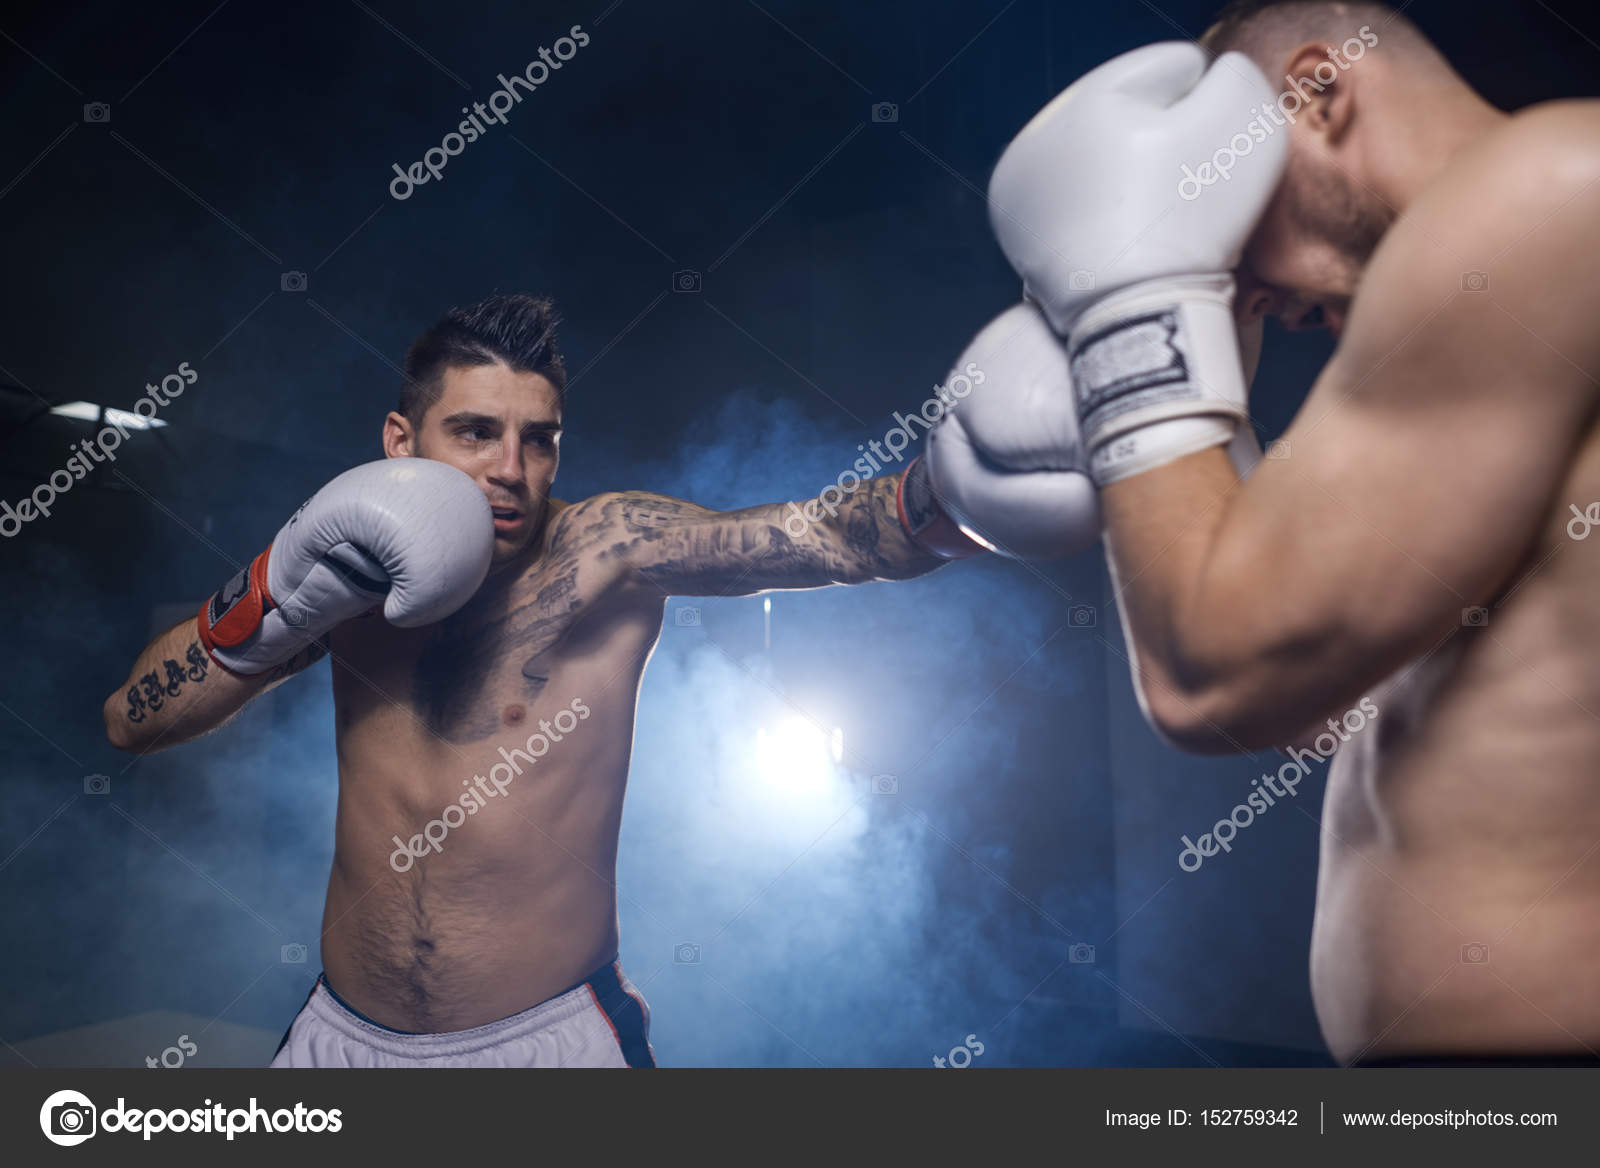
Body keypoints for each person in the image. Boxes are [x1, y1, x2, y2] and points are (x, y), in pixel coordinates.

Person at [103, 292, 1098, 1066]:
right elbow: (132, 722)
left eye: (539, 439)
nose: (510, 468)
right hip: (343, 1033)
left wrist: (949, 493)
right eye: (475, 432)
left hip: (547, 1041)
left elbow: (818, 536)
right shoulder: (345, 565)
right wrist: (273, 597)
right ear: (399, 442)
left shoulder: (607, 549)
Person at [987, 0, 1600, 1064]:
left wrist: (1131, 302)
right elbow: (1322, 697)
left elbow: (1213, 679)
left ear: (1316, 89)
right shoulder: (1488, 292)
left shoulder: (1546, 184)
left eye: (1219, 195)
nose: (1232, 272)